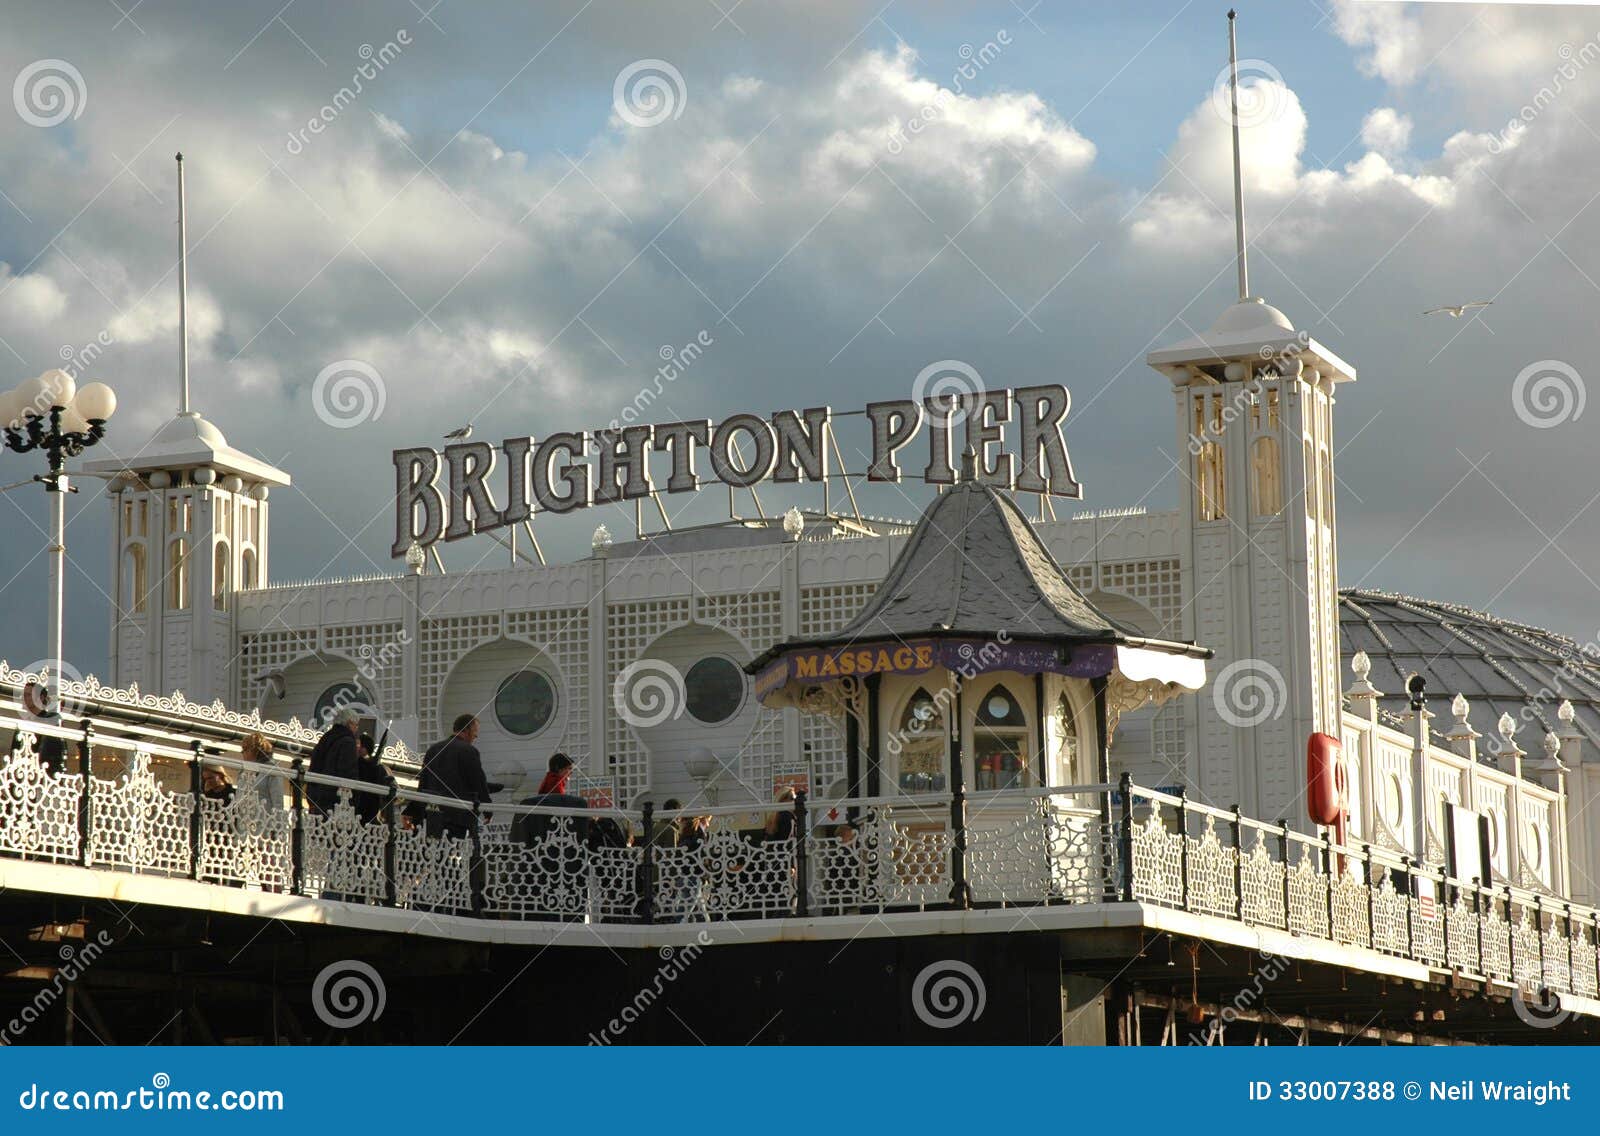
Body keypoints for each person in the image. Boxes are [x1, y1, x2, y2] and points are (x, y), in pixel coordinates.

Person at [410, 714, 492, 839]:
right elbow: (478, 783)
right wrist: (488, 810)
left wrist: (415, 813)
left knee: (435, 853)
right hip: (458, 815)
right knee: (455, 853)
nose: (476, 736)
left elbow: (423, 783)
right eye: (475, 732)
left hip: (433, 814)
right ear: (467, 730)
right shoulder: (469, 751)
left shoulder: (433, 749)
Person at [306, 707, 361, 816]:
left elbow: (314, 766)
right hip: (336, 802)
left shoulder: (325, 739)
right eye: (356, 725)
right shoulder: (348, 742)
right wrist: (355, 799)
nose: (357, 729)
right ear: (349, 723)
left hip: (317, 798)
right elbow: (347, 772)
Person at [21, 680, 67, 776]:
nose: (24, 699)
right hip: (25, 775)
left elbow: (54, 749)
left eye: (28, 695)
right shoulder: (24, 722)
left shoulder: (51, 719)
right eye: (24, 695)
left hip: (45, 775)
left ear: (41, 698)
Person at [355, 732, 396, 825]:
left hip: (366, 806)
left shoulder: (360, 764)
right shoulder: (377, 766)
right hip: (370, 809)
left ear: (365, 748)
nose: (357, 748)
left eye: (359, 745)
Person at [240, 732, 283, 813]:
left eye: (245, 749)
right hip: (245, 821)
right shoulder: (243, 772)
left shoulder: (271, 770)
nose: (242, 753)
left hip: (265, 821)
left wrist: (277, 822)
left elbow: (278, 801)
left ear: (256, 750)